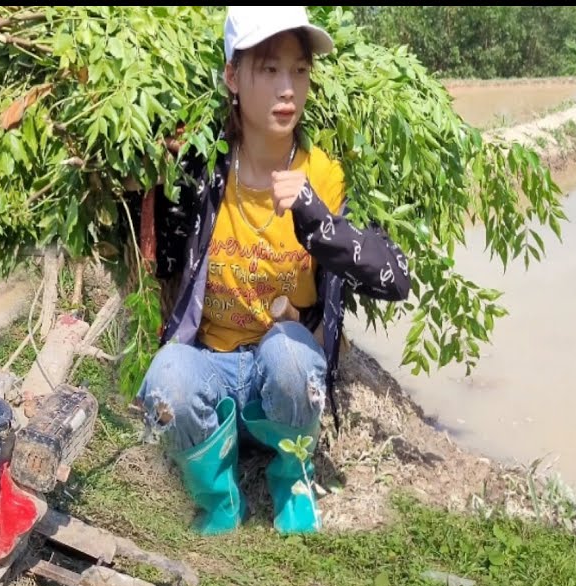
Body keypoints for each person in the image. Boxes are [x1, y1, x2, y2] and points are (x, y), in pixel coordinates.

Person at [132, 7, 411, 535]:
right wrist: (151, 181)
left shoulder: (322, 174)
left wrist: (315, 217)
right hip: (211, 367)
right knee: (164, 381)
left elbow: (394, 277)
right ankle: (218, 497)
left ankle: (291, 474)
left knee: (287, 350)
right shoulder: (204, 171)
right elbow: (164, 258)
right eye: (268, 69)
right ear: (232, 77)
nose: (288, 88)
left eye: (299, 71)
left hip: (282, 382)